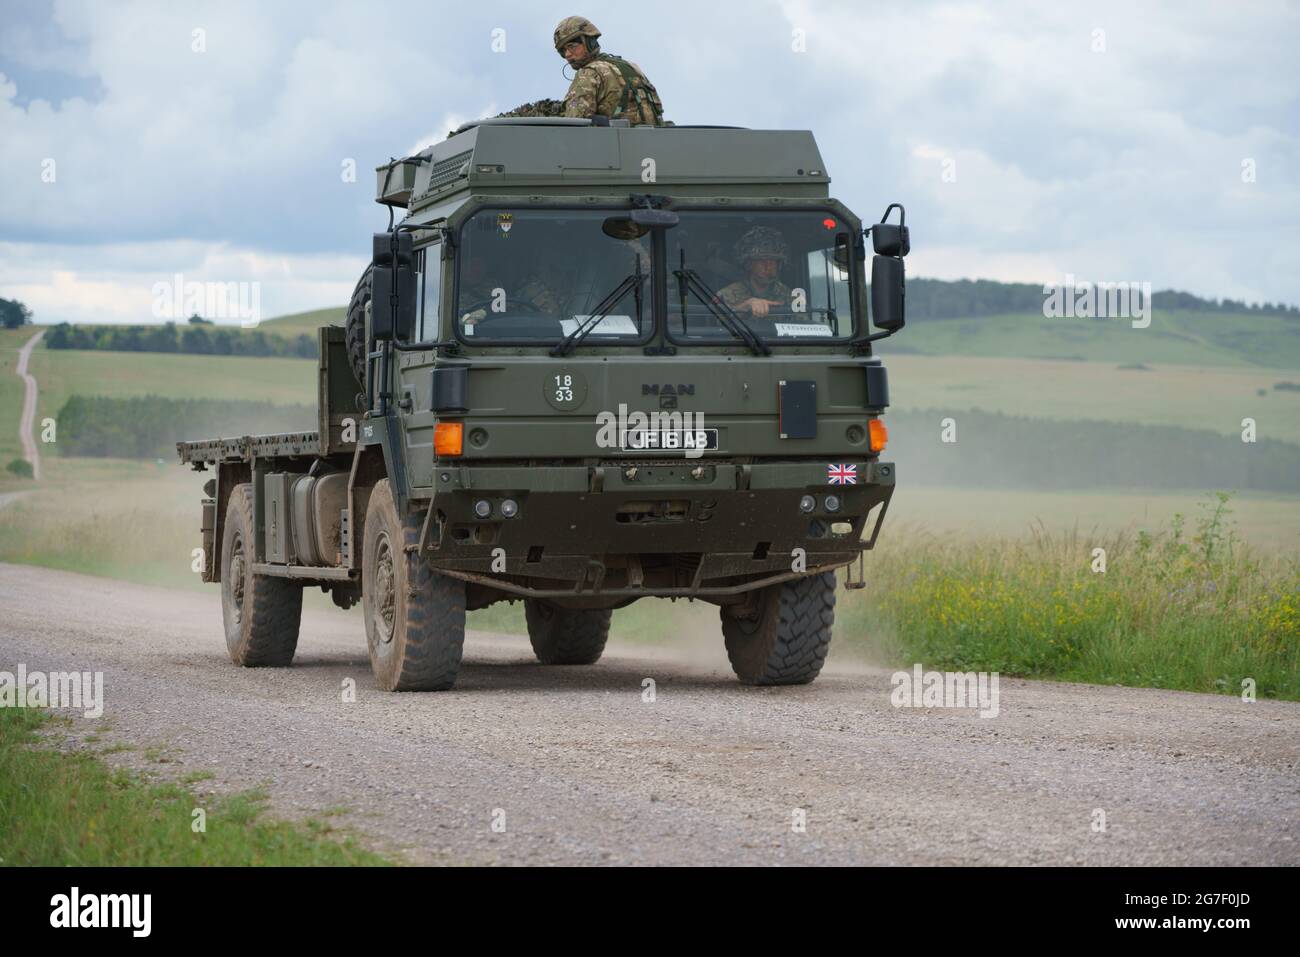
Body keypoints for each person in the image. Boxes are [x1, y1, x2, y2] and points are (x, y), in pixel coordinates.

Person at [554, 16, 665, 126]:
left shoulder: (589, 73)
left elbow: (574, 122)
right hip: (652, 140)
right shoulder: (632, 67)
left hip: (614, 141)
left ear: (589, 42)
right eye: (563, 51)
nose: (567, 54)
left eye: (572, 46)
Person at [716, 226, 793, 319]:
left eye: (773, 261)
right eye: (762, 260)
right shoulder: (726, 294)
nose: (768, 266)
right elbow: (717, 326)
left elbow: (804, 325)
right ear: (748, 264)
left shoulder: (789, 295)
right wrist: (744, 307)